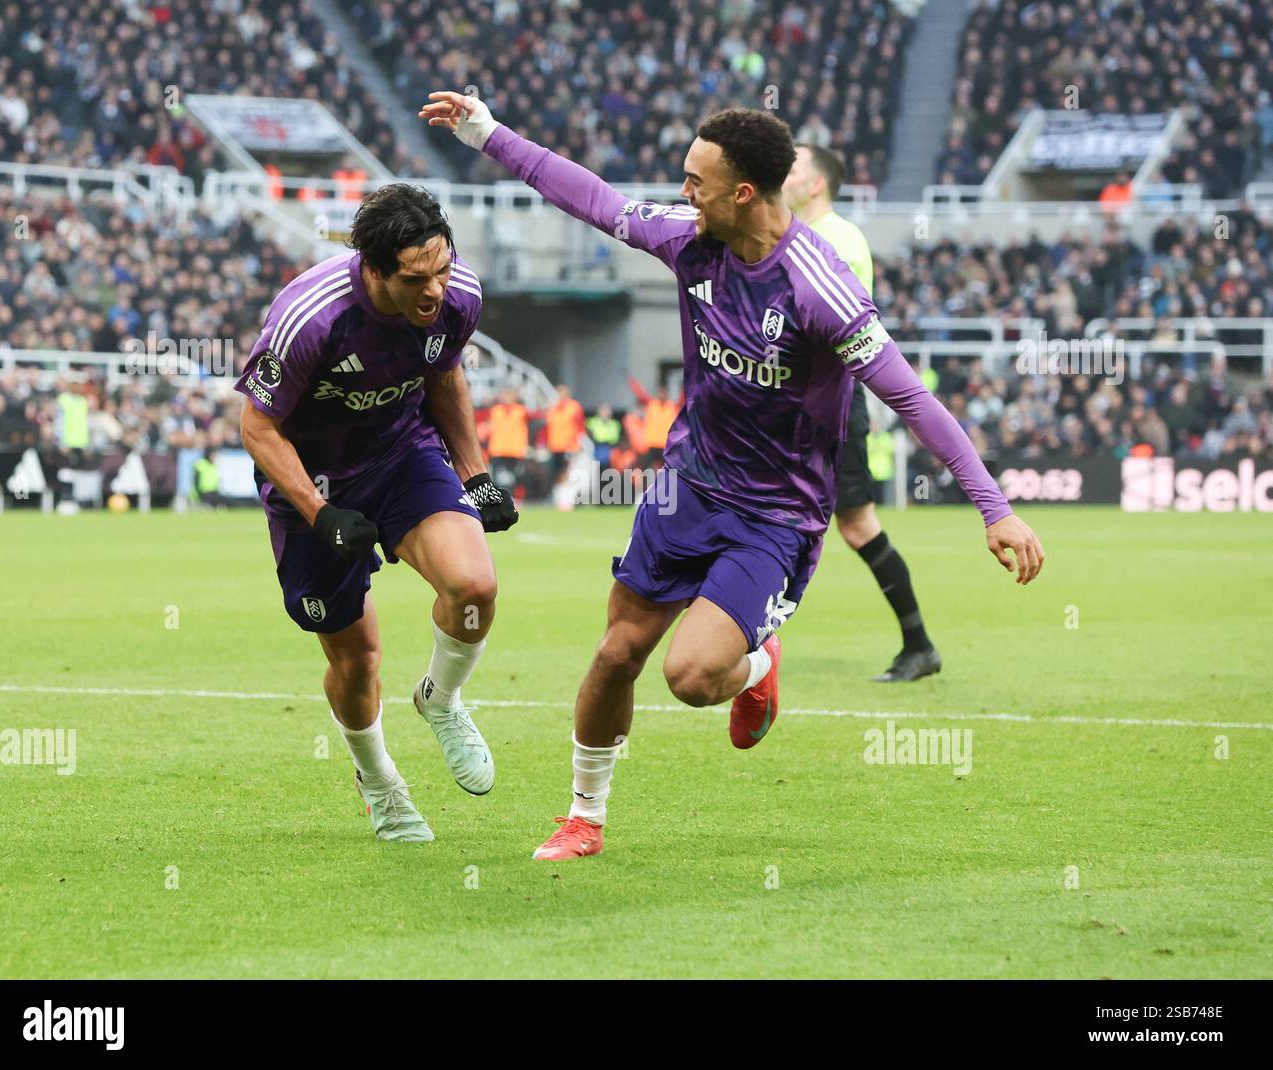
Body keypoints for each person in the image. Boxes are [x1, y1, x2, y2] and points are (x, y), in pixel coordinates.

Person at [420, 93, 1043, 861]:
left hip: (776, 516)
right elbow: (594, 199)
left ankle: (756, 662)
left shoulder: (820, 286)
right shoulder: (691, 240)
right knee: (617, 653)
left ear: (742, 192)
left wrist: (994, 507)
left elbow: (910, 396)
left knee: (690, 676)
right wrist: (488, 133)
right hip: (688, 485)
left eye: (696, 181)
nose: (684, 193)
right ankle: (585, 818)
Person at [235, 183, 518, 844]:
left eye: (443, 269)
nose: (435, 290)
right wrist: (318, 511)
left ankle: (441, 700)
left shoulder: (459, 297)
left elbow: (444, 374)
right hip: (313, 480)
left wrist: (475, 476)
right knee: (357, 661)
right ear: (373, 270)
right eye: (416, 279)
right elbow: (257, 428)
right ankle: (381, 784)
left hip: (401, 454)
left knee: (474, 586)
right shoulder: (311, 317)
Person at [783, 142, 941, 681]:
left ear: (817, 183)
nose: (784, 172)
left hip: (830, 403)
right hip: (794, 404)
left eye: (795, 166)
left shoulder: (838, 239)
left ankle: (919, 644)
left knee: (856, 525)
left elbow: (824, 332)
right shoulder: (797, 234)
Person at [627, 375, 679, 469]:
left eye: (664, 393)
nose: (662, 395)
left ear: (667, 394)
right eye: (660, 393)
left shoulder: (672, 407)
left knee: (671, 469)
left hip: (665, 445)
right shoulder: (652, 404)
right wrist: (631, 381)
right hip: (651, 444)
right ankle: (630, 480)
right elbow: (640, 393)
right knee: (641, 466)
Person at [486, 387, 529, 495]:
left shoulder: (521, 410)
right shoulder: (495, 410)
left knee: (517, 475)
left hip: (515, 449)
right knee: (494, 475)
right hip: (498, 448)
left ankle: (516, 497)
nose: (507, 399)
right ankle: (497, 497)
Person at [545, 383, 586, 484]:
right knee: (555, 470)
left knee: (567, 470)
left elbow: (580, 425)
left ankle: (565, 492)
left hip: (569, 445)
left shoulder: (574, 407)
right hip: (555, 445)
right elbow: (548, 427)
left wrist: (580, 441)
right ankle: (558, 491)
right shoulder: (552, 408)